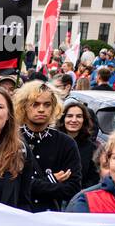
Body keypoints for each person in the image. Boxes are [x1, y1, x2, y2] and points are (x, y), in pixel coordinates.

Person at [16, 80, 81, 213]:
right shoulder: (11, 139)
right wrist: (51, 180)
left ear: (53, 107)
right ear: (24, 107)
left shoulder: (66, 143)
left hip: (50, 218)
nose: (41, 109)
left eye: (47, 105)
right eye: (35, 104)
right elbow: (9, 184)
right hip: (17, 215)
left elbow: (72, 189)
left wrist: (31, 184)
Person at [57, 101, 100, 189]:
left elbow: (94, 177)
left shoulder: (92, 148)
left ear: (84, 120)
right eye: (69, 116)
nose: (74, 120)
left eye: (79, 116)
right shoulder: (53, 142)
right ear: (63, 119)